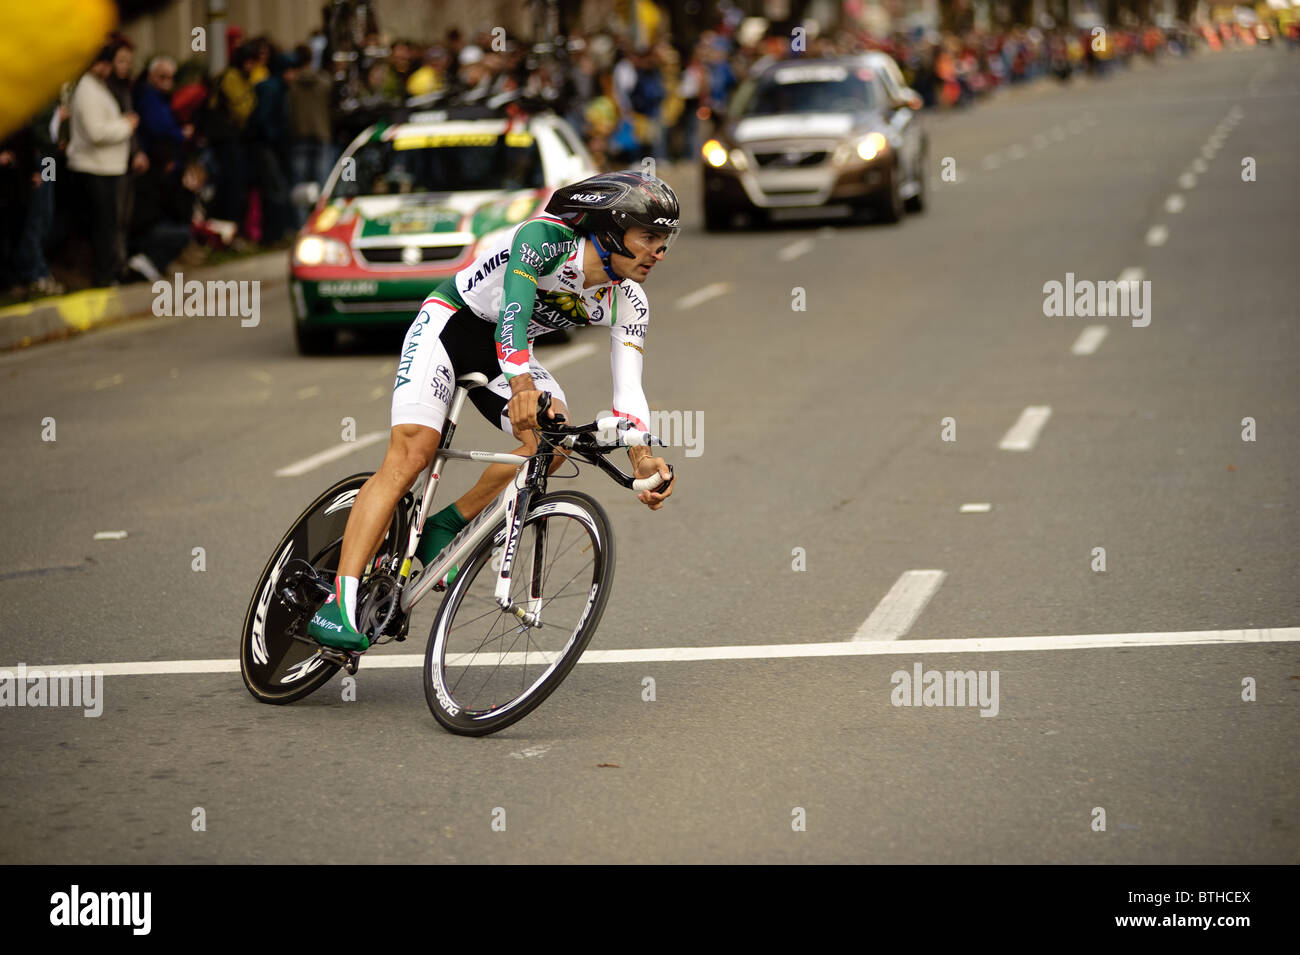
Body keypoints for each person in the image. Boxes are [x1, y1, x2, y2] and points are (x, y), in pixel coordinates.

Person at [307, 172, 682, 650]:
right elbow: (515, 316)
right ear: (610, 229)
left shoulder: (629, 300)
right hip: (452, 326)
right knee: (412, 453)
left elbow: (629, 389)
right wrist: (523, 384)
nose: (659, 252)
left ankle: (449, 521)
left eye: (664, 241)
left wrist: (641, 456)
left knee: (553, 442)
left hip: (505, 354)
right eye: (648, 238)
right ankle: (338, 603)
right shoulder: (544, 239)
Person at [66, 42, 138, 287]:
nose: (110, 70)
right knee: (103, 226)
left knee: (107, 224)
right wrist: (126, 125)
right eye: (108, 63)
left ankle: (106, 273)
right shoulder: (87, 89)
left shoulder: (97, 87)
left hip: (106, 166)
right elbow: (96, 132)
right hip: (94, 166)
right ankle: (102, 276)